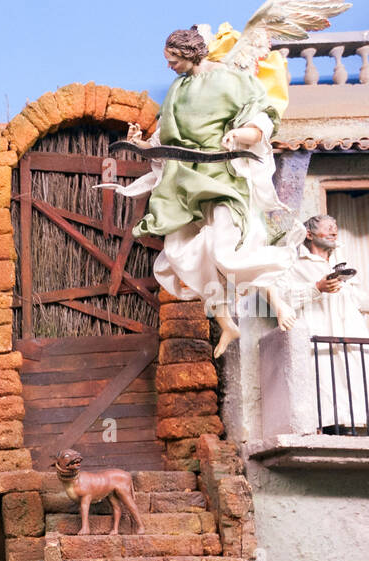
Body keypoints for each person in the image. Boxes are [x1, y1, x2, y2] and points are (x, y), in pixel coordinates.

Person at [109, 27, 304, 357]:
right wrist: (142, 143)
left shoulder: (230, 78)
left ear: (188, 54)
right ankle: (227, 322)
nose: (168, 66)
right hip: (185, 179)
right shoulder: (177, 89)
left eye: (172, 60)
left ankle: (281, 296)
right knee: (181, 251)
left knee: (228, 246)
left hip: (223, 175)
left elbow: (264, 115)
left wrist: (239, 135)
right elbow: (167, 138)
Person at [279, 215, 369, 432]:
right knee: (327, 379)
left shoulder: (341, 264)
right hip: (322, 333)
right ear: (309, 234)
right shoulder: (296, 266)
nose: (334, 232)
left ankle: (364, 420)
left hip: (350, 331)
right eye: (328, 228)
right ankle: (333, 425)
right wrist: (316, 287)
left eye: (336, 228)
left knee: (358, 374)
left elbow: (351, 296)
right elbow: (284, 297)